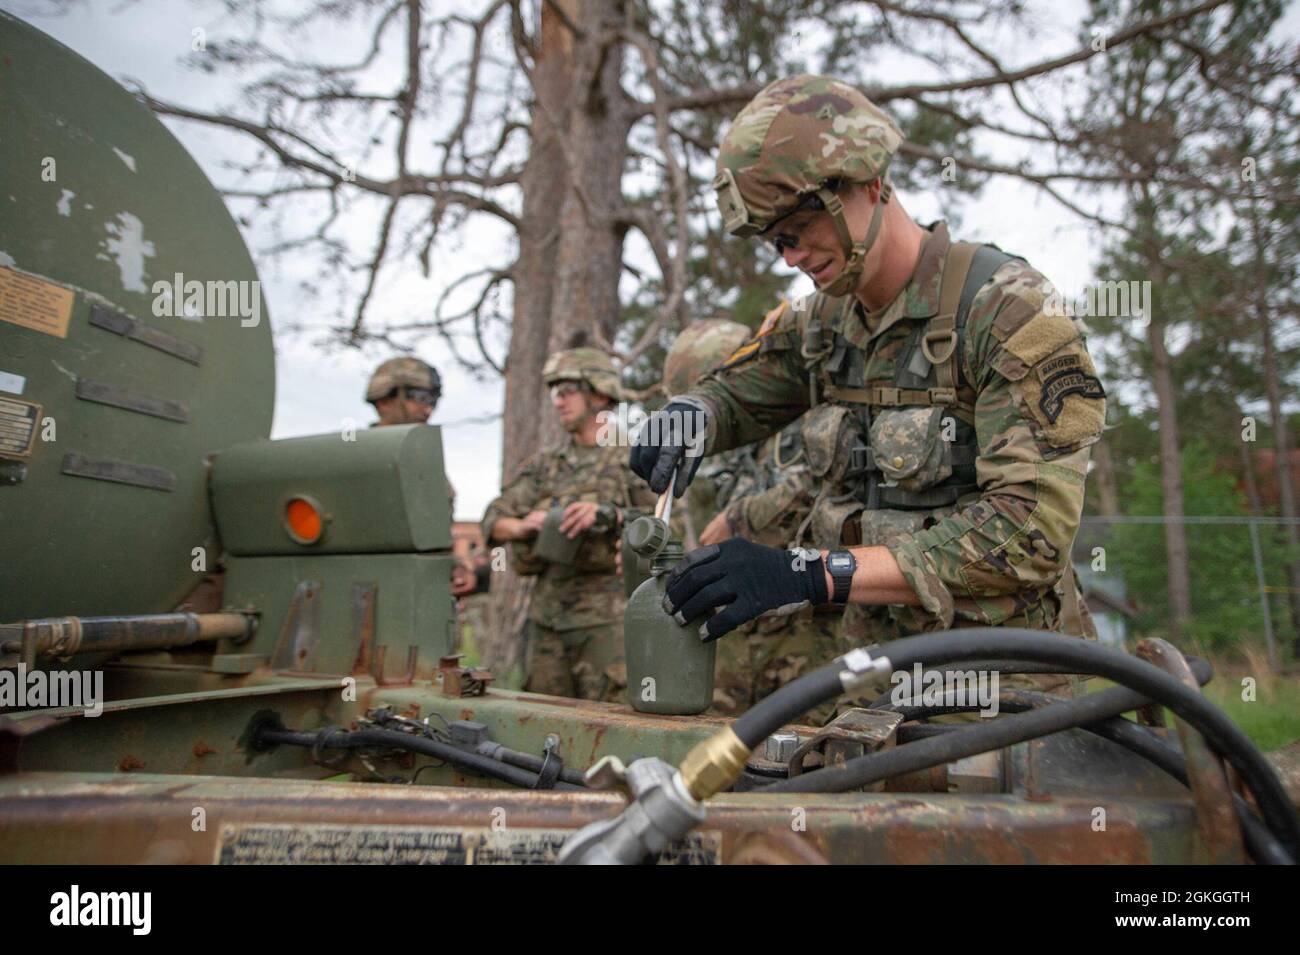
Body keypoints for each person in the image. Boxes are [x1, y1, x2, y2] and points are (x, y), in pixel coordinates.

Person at [630, 75, 1104, 681]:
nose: (791, 256)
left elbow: (1029, 531)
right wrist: (694, 413)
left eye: (800, 227)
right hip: (868, 681)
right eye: (776, 241)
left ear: (870, 183)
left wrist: (809, 572)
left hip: (1006, 684)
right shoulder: (821, 323)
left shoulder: (1010, 310)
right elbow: (739, 392)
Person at [660, 319, 839, 721]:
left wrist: (741, 518)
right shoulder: (727, 448)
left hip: (805, 629)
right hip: (737, 631)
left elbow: (821, 487)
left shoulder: (812, 423)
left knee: (803, 754)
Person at [482, 343, 656, 701]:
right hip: (547, 624)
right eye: (555, 394)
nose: (559, 402)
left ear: (598, 392)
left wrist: (608, 515)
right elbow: (494, 520)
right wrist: (525, 526)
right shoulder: (546, 465)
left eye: (568, 391)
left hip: (606, 628)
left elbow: (663, 527)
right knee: (544, 730)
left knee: (610, 728)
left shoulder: (634, 457)